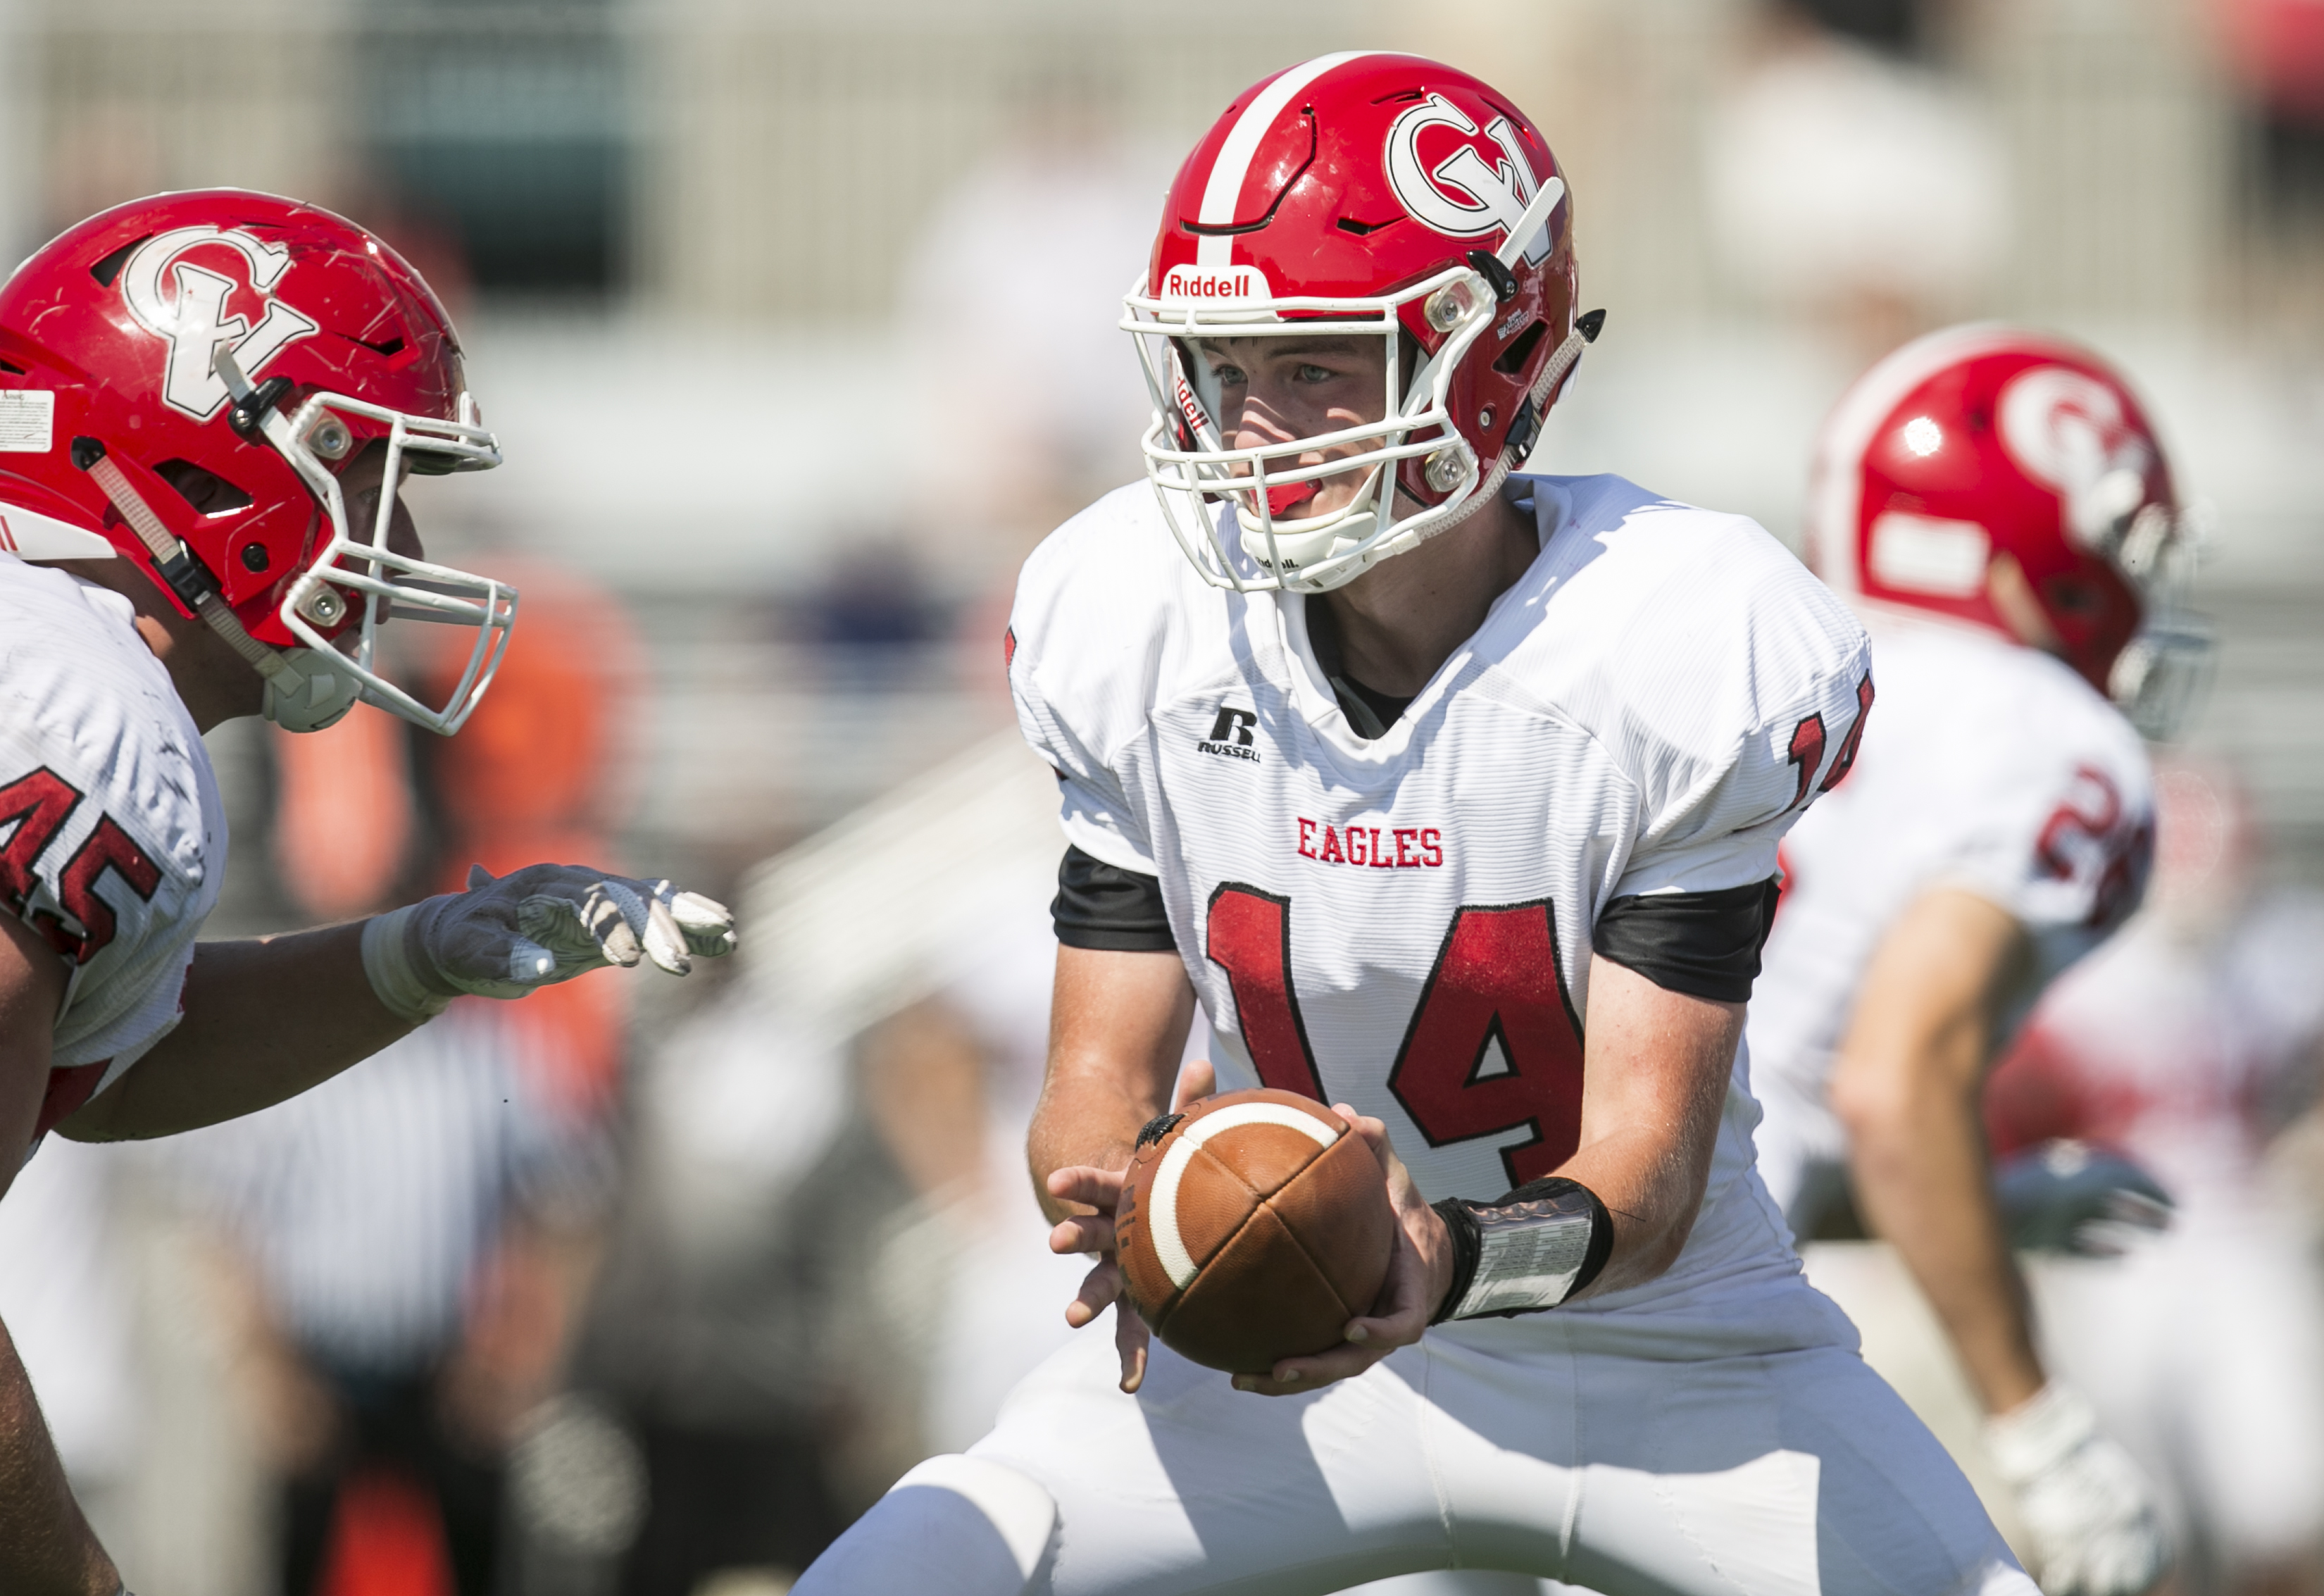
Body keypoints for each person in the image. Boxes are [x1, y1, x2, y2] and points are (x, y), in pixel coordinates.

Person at [796, 54, 2032, 1596]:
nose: (1252, 426)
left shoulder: (1675, 643)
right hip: (1270, 1345)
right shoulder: (1135, 618)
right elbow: (1091, 1080)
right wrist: (1132, 1185)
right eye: (1223, 367)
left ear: (1490, 361)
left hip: (1659, 1357)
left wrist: (1441, 1256)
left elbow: (1647, 1177)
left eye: (1316, 364)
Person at [0, 189, 736, 1596]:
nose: (398, 537)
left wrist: (417, 957)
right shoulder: (76, 710)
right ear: (211, 465)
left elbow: (99, 1063)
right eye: (365, 472)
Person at [1746, 325, 2211, 1595]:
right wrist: (2039, 1426)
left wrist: (1977, 1202)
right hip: (1660, 1321)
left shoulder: (1761, 669)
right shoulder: (2043, 734)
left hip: (1455, 1251)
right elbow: (1888, 1086)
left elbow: (1750, 1112)